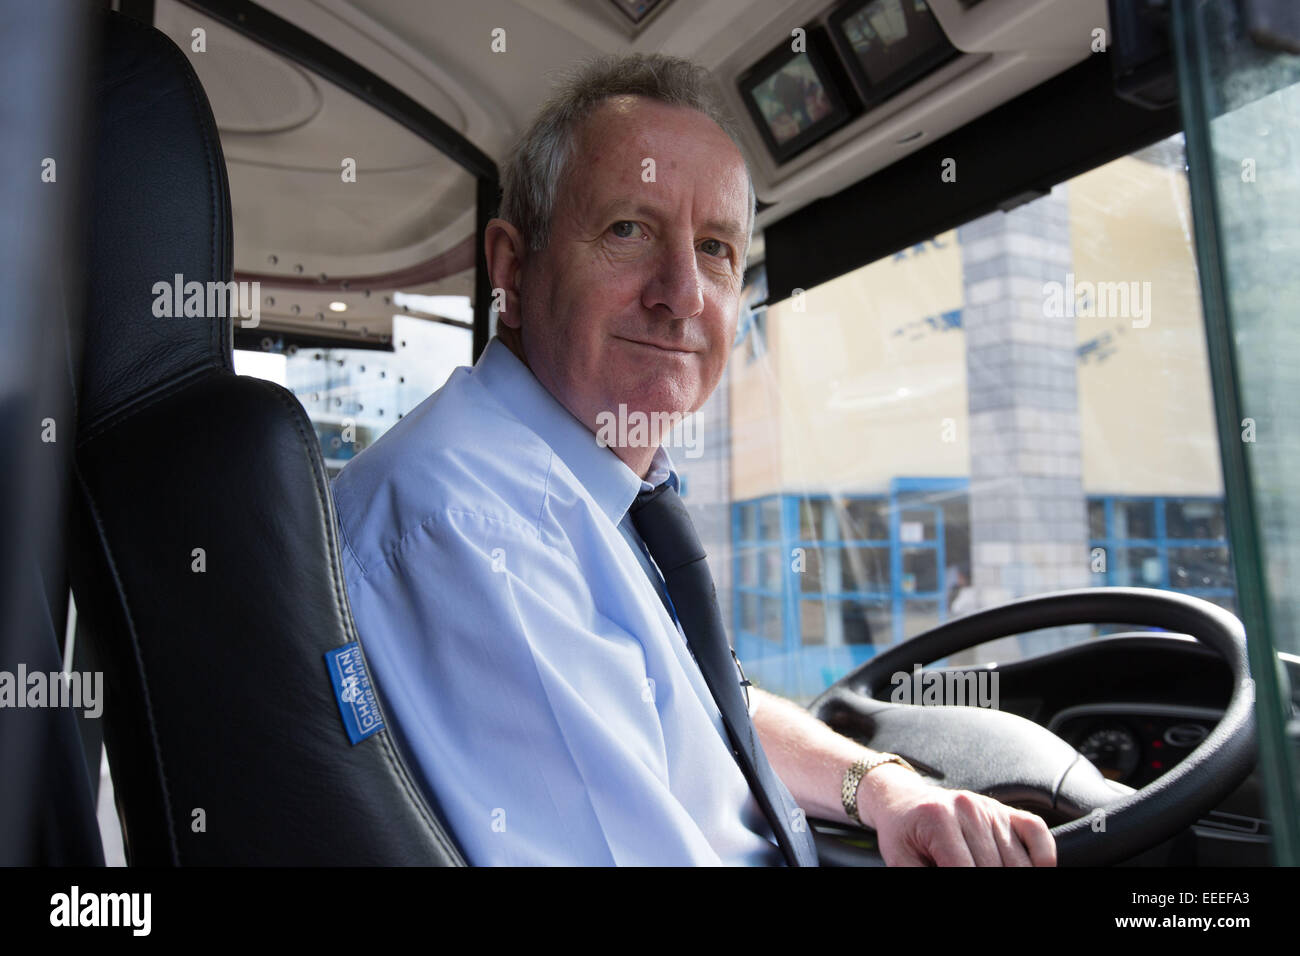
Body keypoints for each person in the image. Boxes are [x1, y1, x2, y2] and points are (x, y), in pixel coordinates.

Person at [331, 52, 1055, 867]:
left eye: (716, 249)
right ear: (513, 267)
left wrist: (882, 786)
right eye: (628, 230)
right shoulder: (474, 522)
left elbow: (705, 708)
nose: (681, 293)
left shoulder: (589, 486)